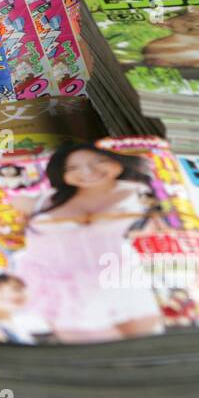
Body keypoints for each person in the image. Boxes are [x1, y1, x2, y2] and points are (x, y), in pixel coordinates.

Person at [11, 143, 163, 342]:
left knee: (146, 346)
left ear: (118, 160)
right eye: (73, 168)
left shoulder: (141, 194)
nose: (88, 172)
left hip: (121, 283)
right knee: (98, 357)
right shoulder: (46, 200)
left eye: (100, 161)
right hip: (64, 293)